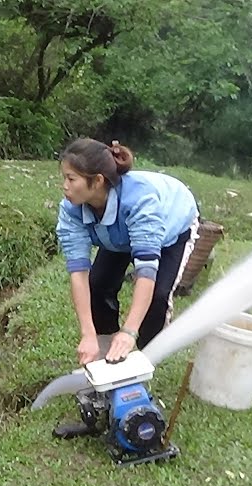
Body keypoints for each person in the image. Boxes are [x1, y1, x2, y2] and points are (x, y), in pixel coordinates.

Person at [56, 138, 199, 365]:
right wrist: (88, 334)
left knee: (158, 297)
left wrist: (130, 331)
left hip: (172, 224)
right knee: (98, 284)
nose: (65, 186)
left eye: (71, 179)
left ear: (97, 181)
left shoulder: (140, 201)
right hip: (119, 234)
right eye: (64, 178)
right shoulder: (71, 209)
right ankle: (107, 347)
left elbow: (147, 270)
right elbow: (78, 272)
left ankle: (145, 358)